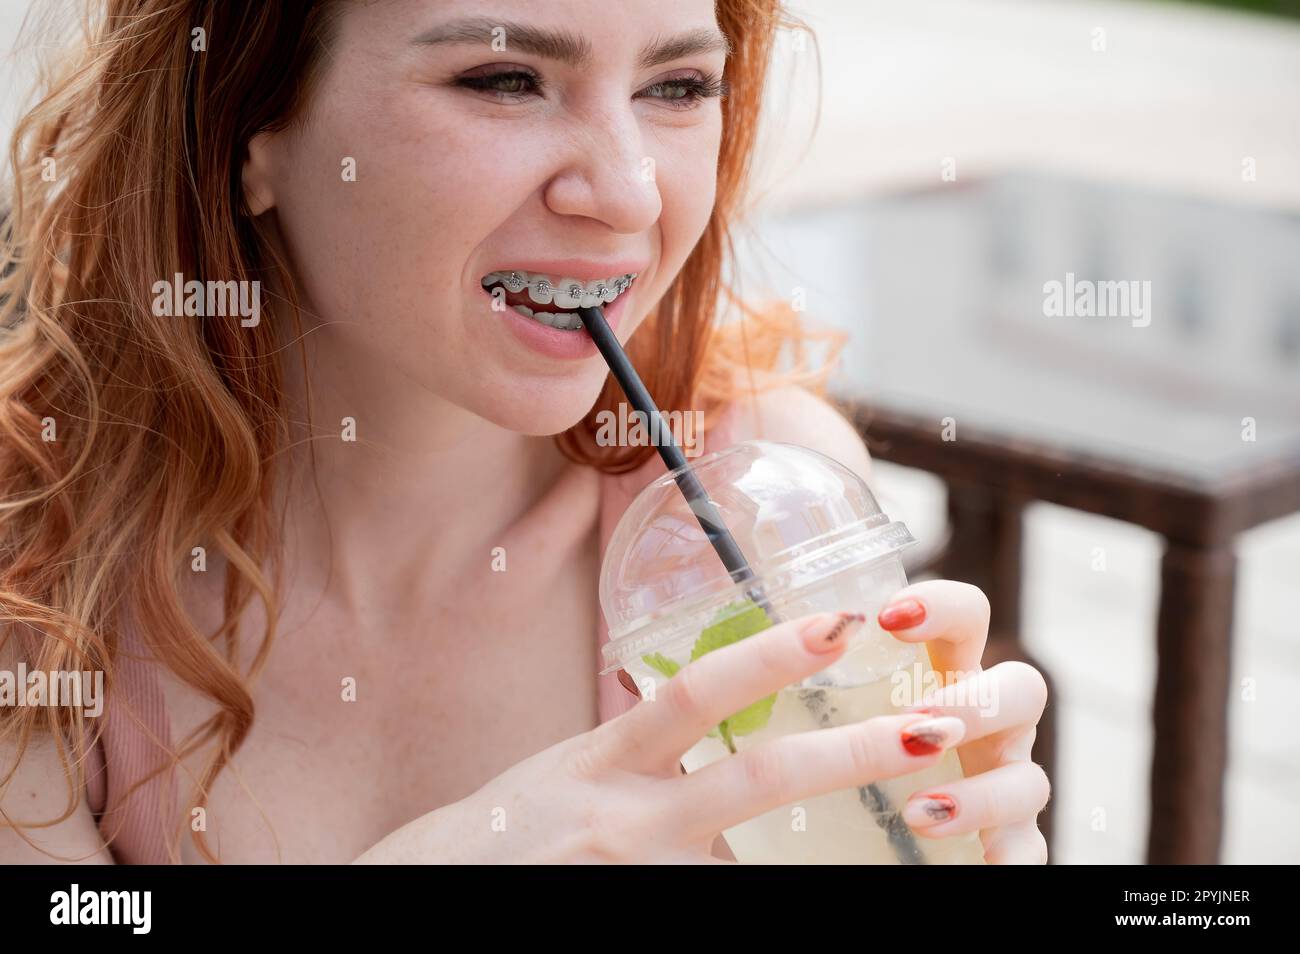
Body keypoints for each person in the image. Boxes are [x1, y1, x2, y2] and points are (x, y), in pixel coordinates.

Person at [0, 0, 1049, 864]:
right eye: (504, 81)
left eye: (676, 87)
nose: (628, 190)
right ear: (241, 129)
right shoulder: (35, 575)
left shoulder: (760, 500)